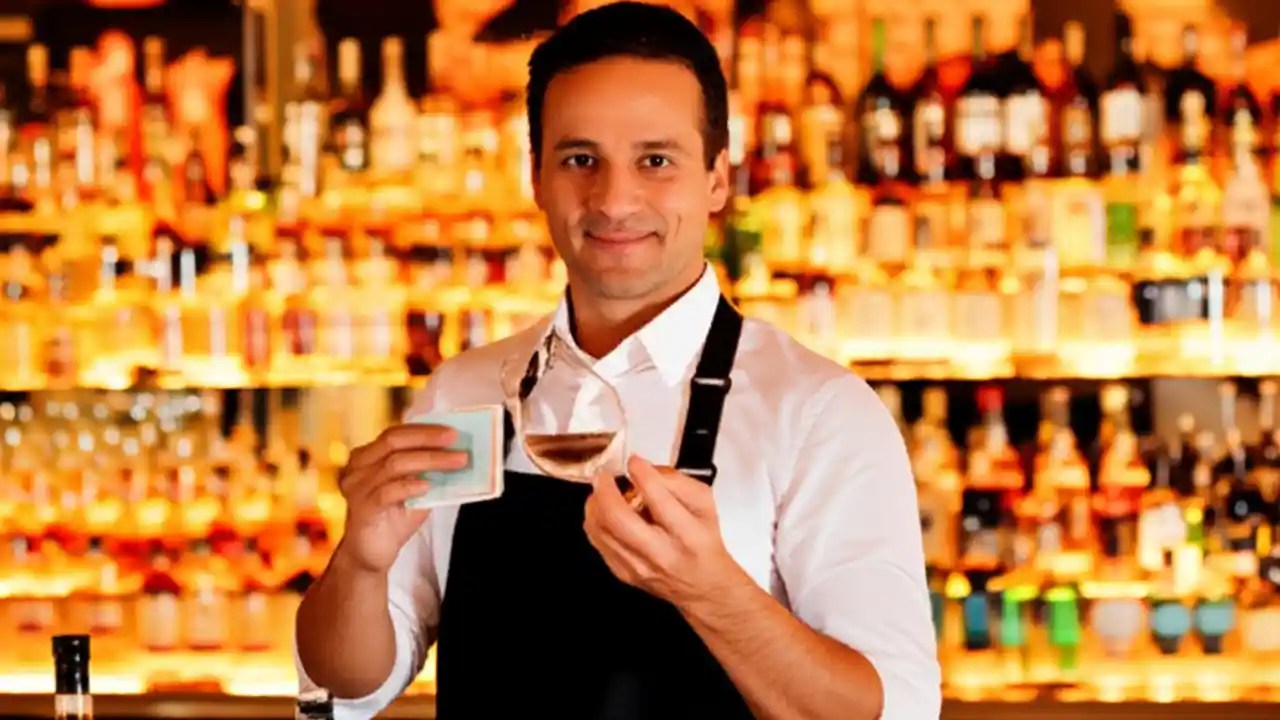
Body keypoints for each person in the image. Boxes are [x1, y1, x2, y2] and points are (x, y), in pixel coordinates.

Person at [294, 3, 940, 719]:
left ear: (718, 179)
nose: (615, 199)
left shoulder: (819, 413)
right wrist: (359, 561)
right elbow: (349, 686)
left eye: (655, 161)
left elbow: (897, 711)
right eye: (580, 160)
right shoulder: (466, 392)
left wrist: (711, 591)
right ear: (536, 177)